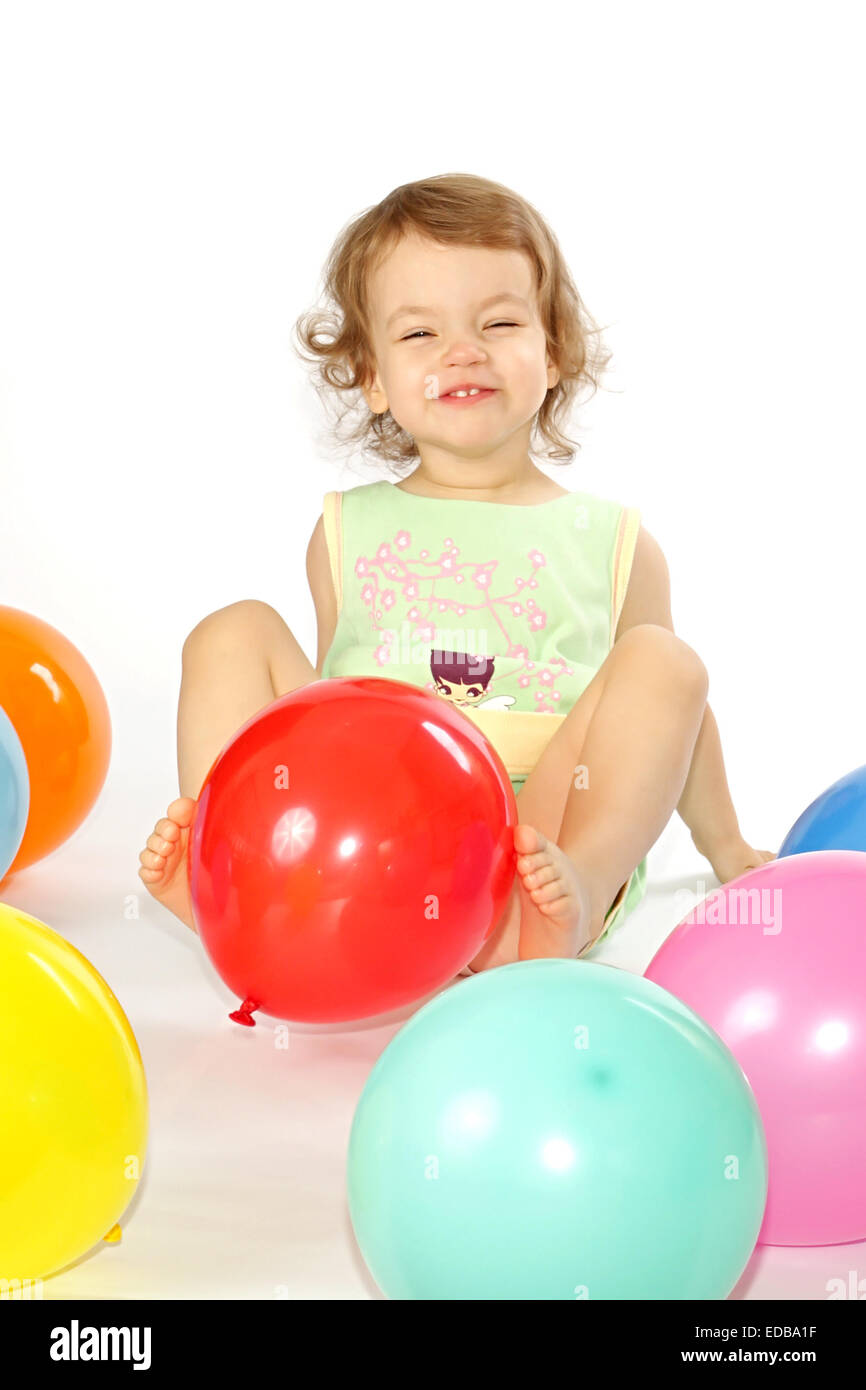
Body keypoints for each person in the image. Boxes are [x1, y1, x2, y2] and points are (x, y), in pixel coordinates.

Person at [138, 172, 773, 973]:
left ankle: (561, 908)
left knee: (666, 662)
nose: (463, 352)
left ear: (554, 351)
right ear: (372, 377)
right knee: (233, 630)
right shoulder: (346, 528)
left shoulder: (614, 540)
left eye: (499, 322)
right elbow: (329, 705)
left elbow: (677, 723)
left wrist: (728, 847)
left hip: (531, 843)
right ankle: (238, 880)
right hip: (372, 845)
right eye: (419, 335)